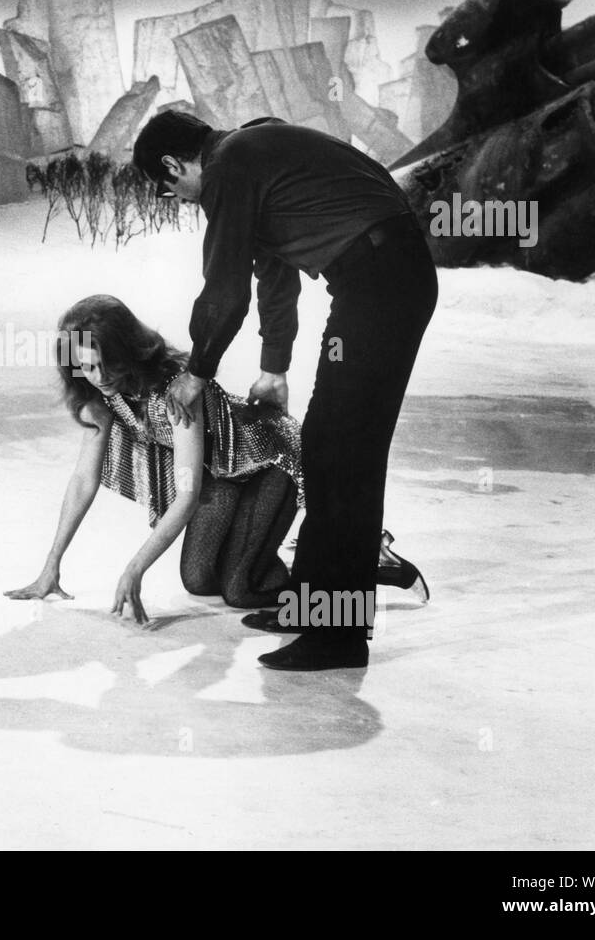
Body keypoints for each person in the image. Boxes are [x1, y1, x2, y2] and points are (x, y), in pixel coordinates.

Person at [132, 111, 438, 670]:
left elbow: (223, 285)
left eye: (167, 186)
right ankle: (310, 606)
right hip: (379, 279)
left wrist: (197, 372)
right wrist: (274, 366)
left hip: (383, 282)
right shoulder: (255, 157)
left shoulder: (231, 166)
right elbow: (270, 274)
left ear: (174, 163)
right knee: (325, 449)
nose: (175, 198)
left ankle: (338, 635)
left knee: (347, 457)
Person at [5, 295, 303, 623]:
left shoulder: (177, 391)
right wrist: (51, 566)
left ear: (129, 351)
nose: (101, 376)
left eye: (110, 363)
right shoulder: (99, 397)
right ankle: (257, 548)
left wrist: (135, 569)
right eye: (89, 366)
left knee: (239, 591)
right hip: (222, 476)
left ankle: (314, 573)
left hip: (269, 463)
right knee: (199, 581)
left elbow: (187, 495)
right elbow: (82, 481)